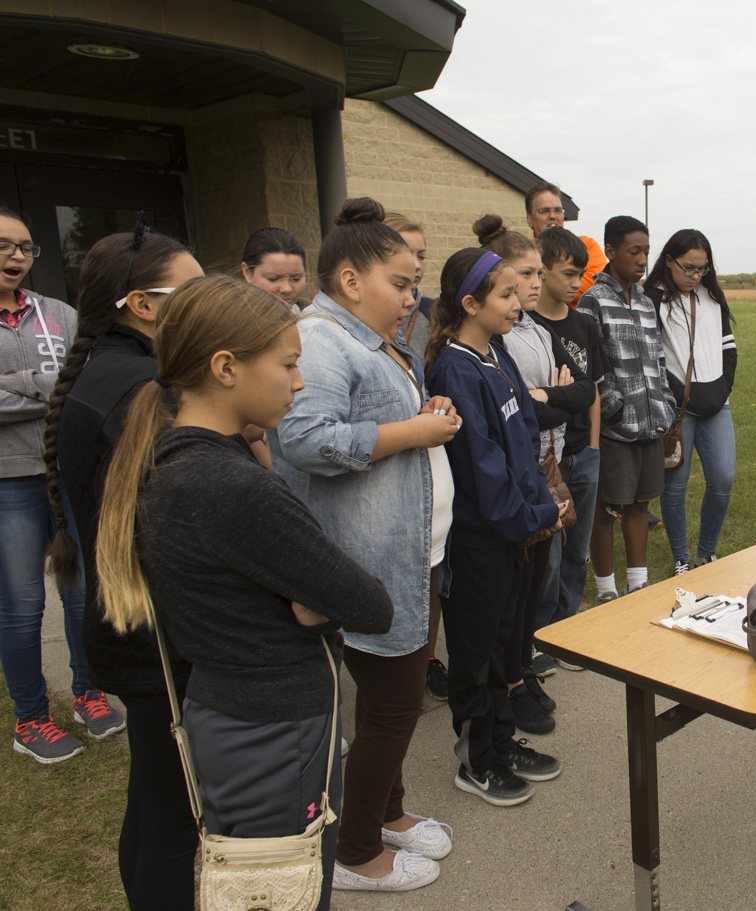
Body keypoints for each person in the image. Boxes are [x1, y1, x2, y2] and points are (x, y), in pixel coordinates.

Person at [95, 273, 396, 911]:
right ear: (226, 368)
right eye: (288, 363)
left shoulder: (185, 462)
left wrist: (309, 596)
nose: (299, 381)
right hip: (271, 728)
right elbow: (369, 603)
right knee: (282, 889)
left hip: (242, 716)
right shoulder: (226, 487)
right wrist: (317, 601)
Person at [270, 198, 459, 892]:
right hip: (374, 563)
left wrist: (425, 412)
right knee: (389, 707)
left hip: (413, 555)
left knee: (396, 702)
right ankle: (355, 853)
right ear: (352, 280)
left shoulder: (373, 338)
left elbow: (380, 418)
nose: (413, 296)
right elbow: (306, 438)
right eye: (403, 283)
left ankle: (389, 812)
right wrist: (414, 432)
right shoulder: (323, 339)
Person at [46, 224, 203, 907]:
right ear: (144, 304)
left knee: (155, 798)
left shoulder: (117, 369)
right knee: (175, 817)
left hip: (131, 620)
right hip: (155, 631)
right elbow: (185, 513)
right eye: (192, 291)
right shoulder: (140, 386)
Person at [425, 247, 566, 806]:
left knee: (505, 640)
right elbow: (482, 465)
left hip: (514, 531)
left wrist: (537, 506)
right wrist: (530, 514)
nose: (517, 304)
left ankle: (502, 743)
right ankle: (475, 759)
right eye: (506, 295)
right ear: (469, 303)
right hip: (482, 537)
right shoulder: (455, 367)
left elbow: (523, 437)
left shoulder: (495, 353)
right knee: (476, 650)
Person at [0, 203, 122, 767]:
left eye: (24, 247)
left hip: (65, 473)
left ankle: (88, 693)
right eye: (4, 245)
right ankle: (30, 718)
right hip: (10, 483)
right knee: (24, 604)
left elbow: (83, 380)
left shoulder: (59, 314)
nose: (16, 256)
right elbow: (58, 387)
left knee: (81, 589)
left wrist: (27, 388)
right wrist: (39, 385)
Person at [474, 214, 593, 734]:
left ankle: (521, 667)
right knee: (522, 586)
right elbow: (531, 411)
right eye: (525, 275)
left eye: (534, 275)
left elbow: (580, 393)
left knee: (538, 573)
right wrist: (554, 397)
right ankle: (511, 679)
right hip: (525, 470)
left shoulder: (536, 330)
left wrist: (557, 396)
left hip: (551, 463)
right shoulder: (503, 341)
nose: (534, 284)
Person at [577, 216, 674, 601]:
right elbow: (589, 362)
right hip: (614, 428)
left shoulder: (647, 302)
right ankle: (605, 588)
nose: (642, 260)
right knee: (605, 508)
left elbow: (658, 359)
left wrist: (664, 405)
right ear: (611, 251)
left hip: (652, 423)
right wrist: (614, 409)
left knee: (640, 503)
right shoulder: (593, 300)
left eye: (646, 252)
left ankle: (638, 582)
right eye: (634, 251)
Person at [528, 227, 607, 667]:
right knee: (550, 555)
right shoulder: (526, 326)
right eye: (570, 274)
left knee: (577, 550)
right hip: (547, 458)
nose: (578, 283)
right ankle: (541, 637)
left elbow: (592, 390)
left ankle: (569, 629)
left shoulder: (585, 325)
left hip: (584, 452)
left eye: (582, 274)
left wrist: (593, 446)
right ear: (542, 272)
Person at [644, 229, 738, 575]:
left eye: (703, 269)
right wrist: (678, 395)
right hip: (677, 411)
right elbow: (651, 359)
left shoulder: (712, 298)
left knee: (723, 478)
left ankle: (706, 553)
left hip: (716, 407)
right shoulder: (652, 299)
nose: (695, 276)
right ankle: (682, 558)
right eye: (689, 268)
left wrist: (721, 389)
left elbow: (729, 349)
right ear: (669, 261)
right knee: (675, 486)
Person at [383, 210, 448, 700]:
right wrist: (414, 427)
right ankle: (402, 665)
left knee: (432, 579)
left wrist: (427, 407)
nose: (418, 265)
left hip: (430, 493)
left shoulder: (427, 311)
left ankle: (425, 659)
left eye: (423, 256)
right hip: (393, 496)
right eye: (407, 256)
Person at [524, 180, 606, 305]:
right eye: (544, 211)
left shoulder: (587, 245)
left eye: (558, 210)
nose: (552, 216)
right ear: (530, 219)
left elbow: (597, 284)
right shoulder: (522, 254)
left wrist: (548, 288)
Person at [241, 227, 307, 311]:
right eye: (273, 279)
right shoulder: (229, 321)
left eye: (295, 279)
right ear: (247, 272)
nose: (287, 289)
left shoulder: (314, 320)